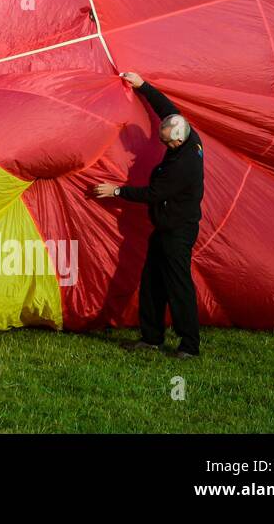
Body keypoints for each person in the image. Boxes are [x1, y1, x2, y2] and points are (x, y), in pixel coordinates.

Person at [93, 72, 203, 359]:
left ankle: (189, 345)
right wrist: (142, 86)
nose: (163, 147)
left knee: (178, 287)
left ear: (178, 142)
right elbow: (166, 108)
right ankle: (151, 337)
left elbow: (152, 194)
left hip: (178, 231)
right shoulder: (188, 134)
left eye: (166, 143)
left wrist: (117, 192)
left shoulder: (184, 166)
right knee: (152, 280)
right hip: (166, 228)